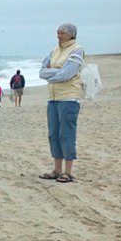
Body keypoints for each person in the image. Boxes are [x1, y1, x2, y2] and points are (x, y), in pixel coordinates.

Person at [38, 22, 85, 183]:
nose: (59, 35)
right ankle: (57, 169)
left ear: (71, 34)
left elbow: (67, 74)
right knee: (53, 134)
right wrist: (56, 72)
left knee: (66, 134)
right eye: (58, 32)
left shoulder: (77, 50)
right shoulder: (54, 51)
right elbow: (41, 72)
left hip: (69, 97)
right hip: (53, 98)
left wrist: (52, 75)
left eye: (63, 33)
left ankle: (68, 171)